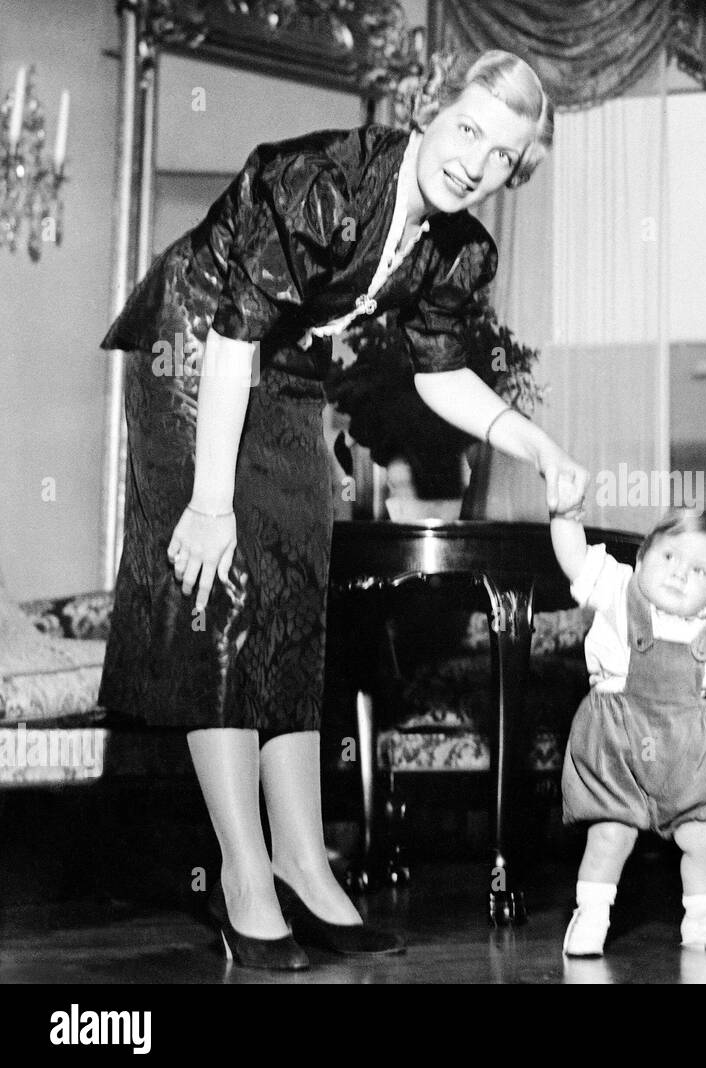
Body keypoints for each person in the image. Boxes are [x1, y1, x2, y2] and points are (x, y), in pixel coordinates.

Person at [98, 50, 588, 971]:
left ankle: (303, 862)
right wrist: (209, 503)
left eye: (501, 156)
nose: (474, 162)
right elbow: (233, 338)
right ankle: (244, 881)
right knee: (223, 589)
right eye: (468, 130)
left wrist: (540, 447)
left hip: (281, 364)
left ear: (514, 172)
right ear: (429, 112)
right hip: (194, 344)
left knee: (292, 590)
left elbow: (441, 373)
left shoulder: (459, 248)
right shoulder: (321, 179)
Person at [550, 506, 706, 957]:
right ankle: (592, 913)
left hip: (686, 741)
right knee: (613, 832)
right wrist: (565, 513)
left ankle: (705, 917)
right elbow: (575, 558)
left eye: (699, 571)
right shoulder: (618, 590)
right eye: (670, 557)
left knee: (704, 834)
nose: (680, 575)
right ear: (642, 557)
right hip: (617, 737)